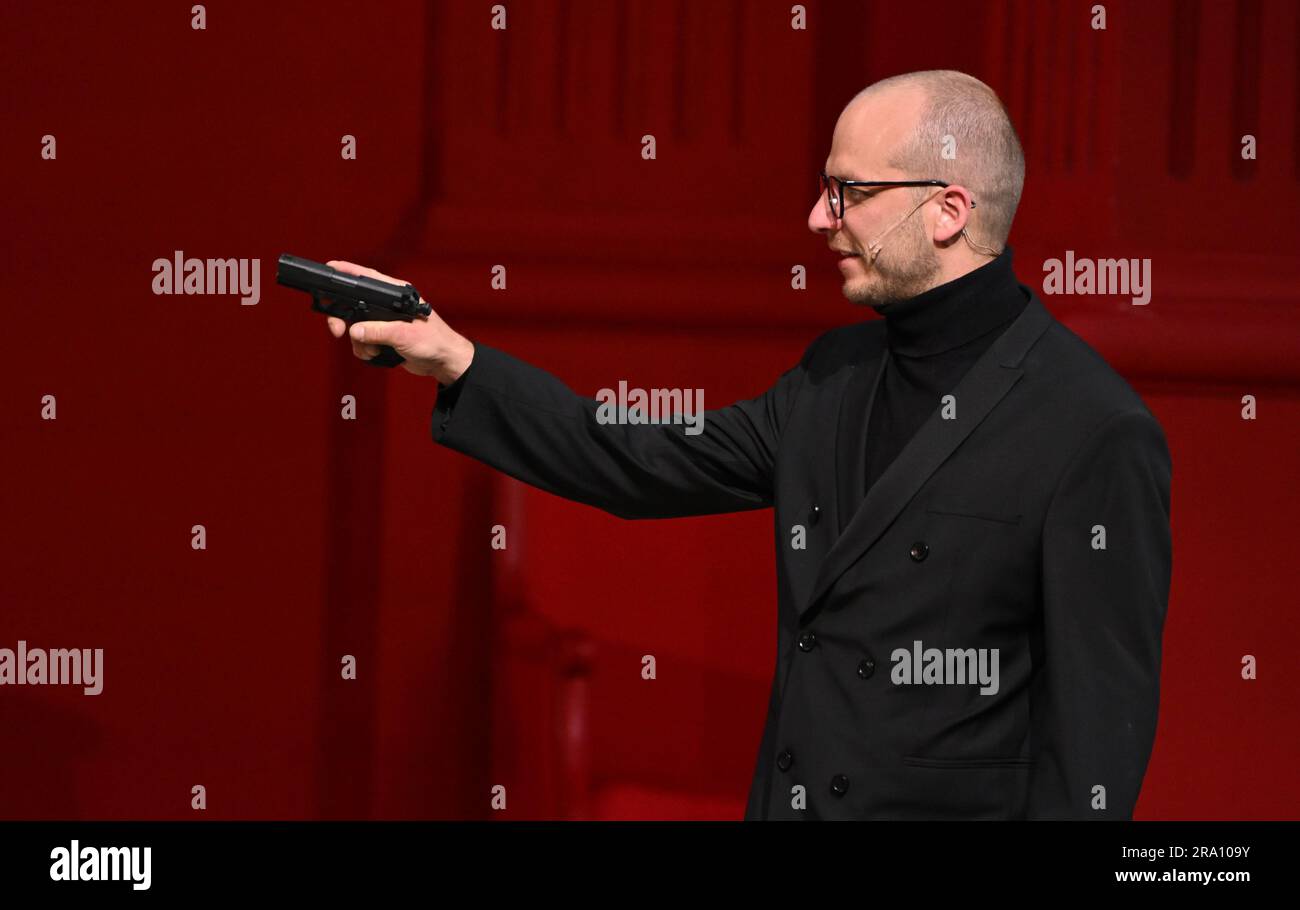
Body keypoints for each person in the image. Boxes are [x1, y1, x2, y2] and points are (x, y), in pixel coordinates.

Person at [323, 70, 1173, 820]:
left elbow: (1094, 749)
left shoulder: (1094, 431)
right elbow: (641, 462)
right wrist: (456, 360)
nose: (817, 217)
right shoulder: (832, 374)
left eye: (846, 192)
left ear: (948, 209)